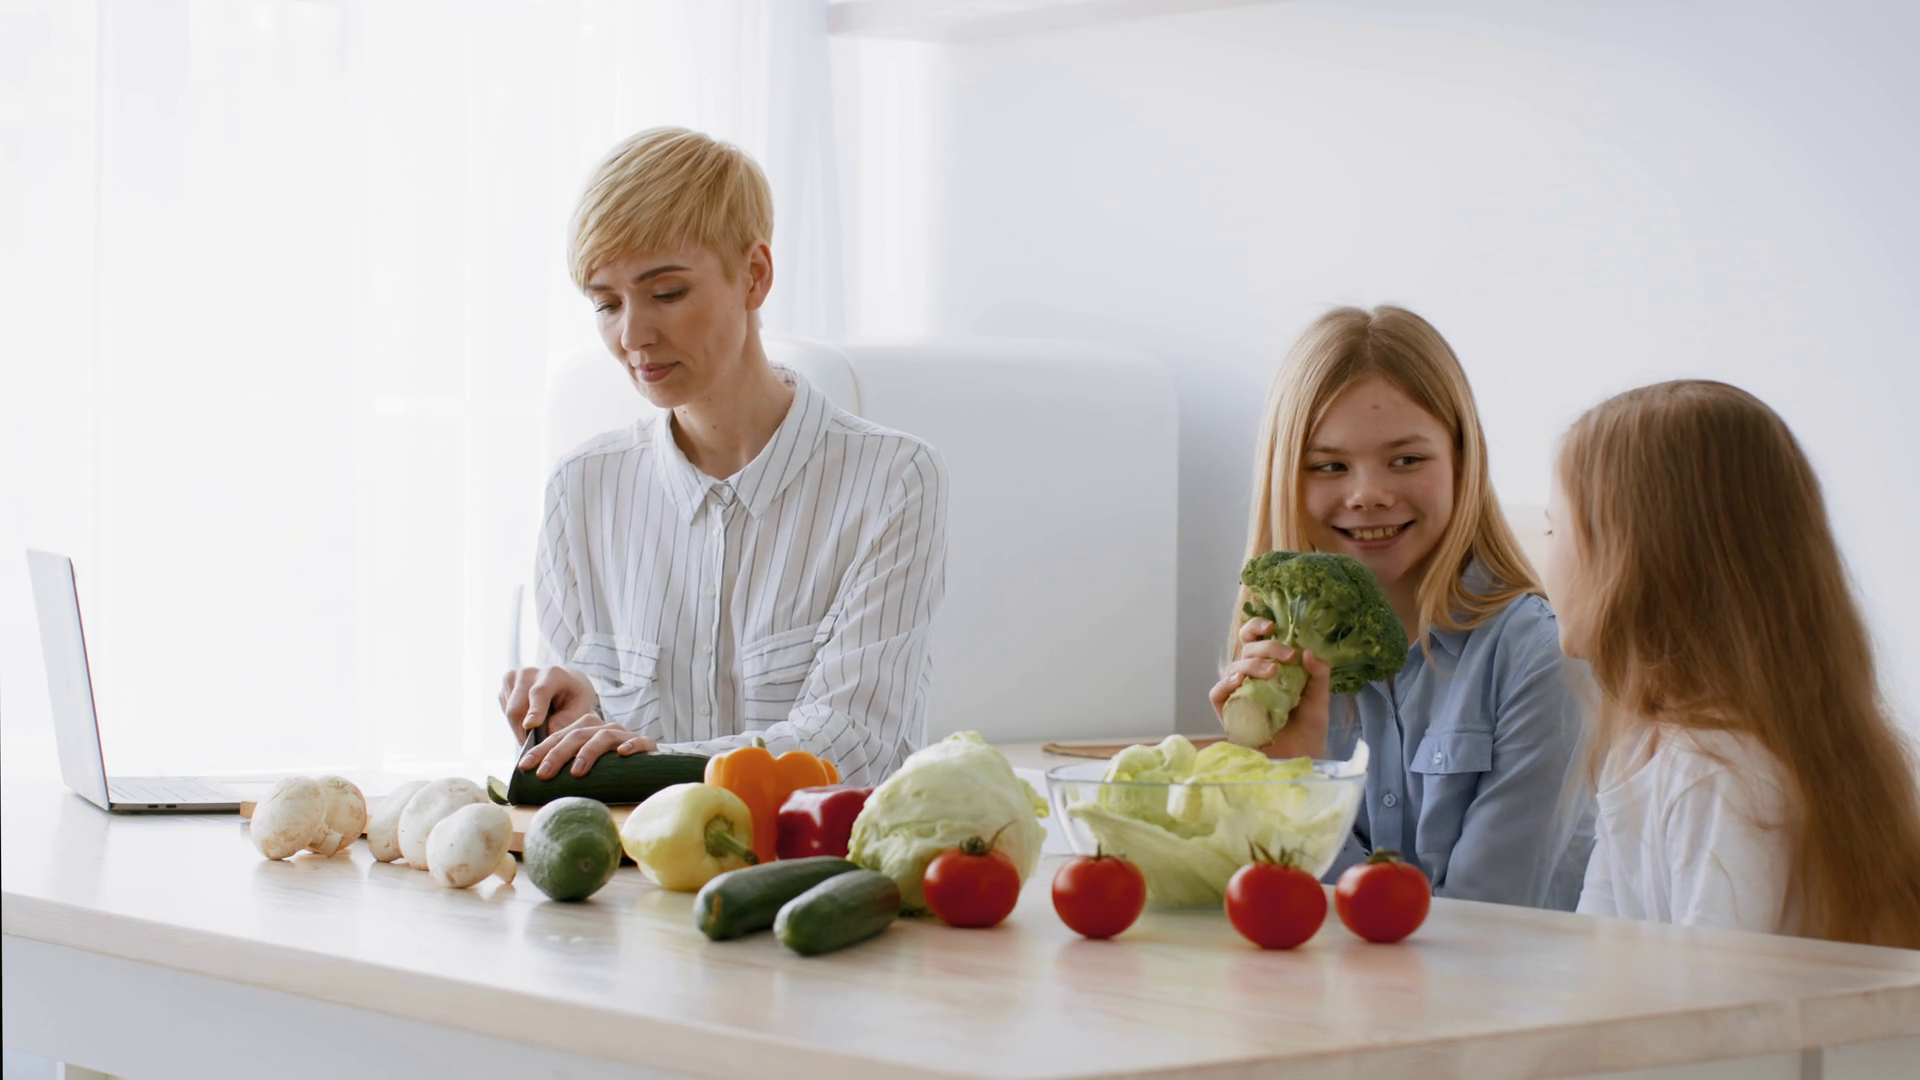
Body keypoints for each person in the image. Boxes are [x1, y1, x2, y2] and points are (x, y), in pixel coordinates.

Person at [498, 127, 948, 787]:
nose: (633, 335)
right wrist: (566, 724)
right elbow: (575, 765)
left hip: (812, 882)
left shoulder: (892, 482)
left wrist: (646, 766)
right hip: (630, 885)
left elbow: (853, 747)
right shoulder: (581, 490)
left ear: (754, 276)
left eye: (667, 293)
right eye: (606, 303)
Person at [1210, 305, 1591, 909]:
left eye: (1407, 460)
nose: (1369, 495)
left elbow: (1489, 924)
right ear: (1286, 476)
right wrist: (1273, 780)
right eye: (1329, 466)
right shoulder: (1275, 660)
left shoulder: (1540, 658)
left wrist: (1305, 792)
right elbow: (1276, 912)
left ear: (1463, 462)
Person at [1543, 380, 1920, 945]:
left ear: (1635, 559)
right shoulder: (1644, 746)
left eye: (1552, 528)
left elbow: (1718, 1010)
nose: (1541, 554)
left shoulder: (1716, 768)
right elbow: (1596, 954)